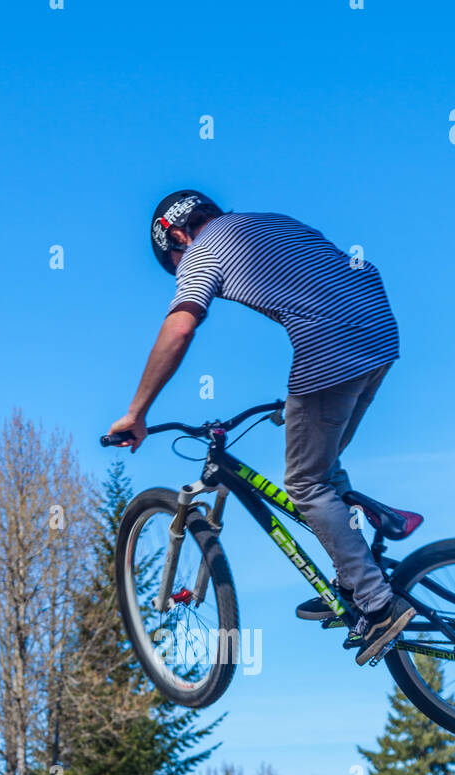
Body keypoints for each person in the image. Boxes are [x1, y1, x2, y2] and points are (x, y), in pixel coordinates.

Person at [107, 189, 414, 666]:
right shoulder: (270, 221)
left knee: (303, 483)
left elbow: (180, 327)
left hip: (332, 349)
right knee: (324, 468)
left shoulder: (202, 247)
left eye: (175, 260)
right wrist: (299, 404)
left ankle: (377, 602)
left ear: (177, 233)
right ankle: (353, 576)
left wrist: (138, 411)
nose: (181, 267)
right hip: (379, 331)